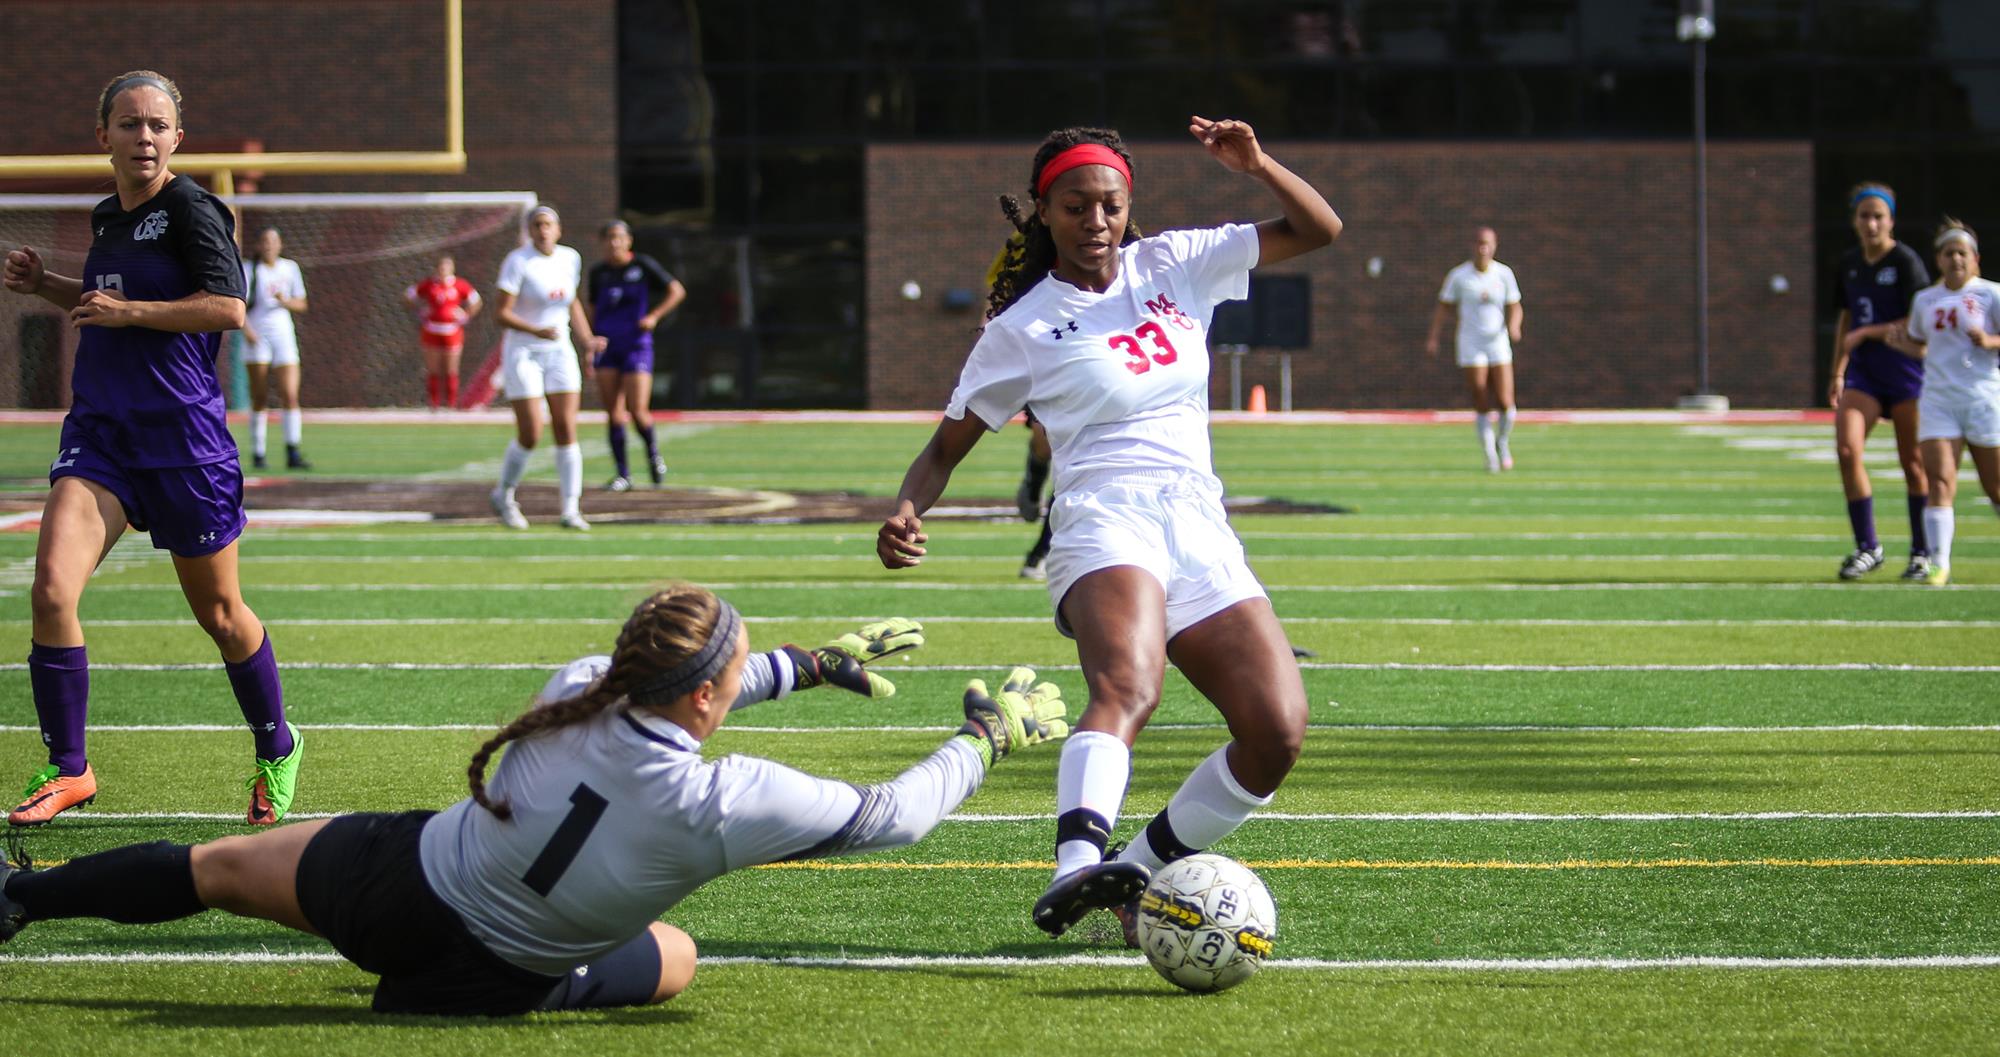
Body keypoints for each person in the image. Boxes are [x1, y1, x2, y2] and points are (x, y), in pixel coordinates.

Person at [0, 589, 1070, 1016]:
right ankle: (484, 991)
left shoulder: (572, 686)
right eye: (737, 670)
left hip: (389, 881)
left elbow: (675, 691)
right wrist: (982, 736)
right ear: (706, 694)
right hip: (502, 975)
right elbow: (897, 815)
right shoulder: (727, 799)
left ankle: (20, 899)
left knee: (209, 870)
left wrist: (805, 663)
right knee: (678, 955)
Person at [877, 117, 1341, 938]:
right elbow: (944, 448)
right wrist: (909, 508)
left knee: (1276, 731)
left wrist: (1258, 163)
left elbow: (1318, 229)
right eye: (1076, 206)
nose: (1096, 221)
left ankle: (1136, 870)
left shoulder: (1176, 262)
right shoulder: (1018, 330)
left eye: (1111, 204)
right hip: (1103, 515)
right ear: (1045, 213)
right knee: (1129, 688)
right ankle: (1076, 868)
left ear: (1130, 207)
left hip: (1199, 517)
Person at [0, 70, 303, 827]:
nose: (143, 137)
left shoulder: (195, 209)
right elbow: (101, 304)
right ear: (102, 135)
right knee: (50, 592)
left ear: (176, 138)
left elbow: (228, 308)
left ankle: (278, 744)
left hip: (184, 443)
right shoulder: (108, 216)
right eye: (129, 124)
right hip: (102, 433)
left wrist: (130, 308)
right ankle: (71, 766)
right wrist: (47, 286)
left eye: (157, 125)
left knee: (224, 614)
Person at [1828, 183, 1933, 581]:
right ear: (1854, 220)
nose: (1871, 223)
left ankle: (1922, 552)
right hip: (1865, 375)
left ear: (1891, 220)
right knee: (1846, 449)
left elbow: (1921, 317)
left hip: (1907, 373)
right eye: (1864, 216)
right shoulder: (1850, 263)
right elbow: (1845, 320)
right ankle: (1867, 546)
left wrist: (1871, 332)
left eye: (1878, 216)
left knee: (1914, 463)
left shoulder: (1905, 261)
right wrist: (1837, 371)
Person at [1894, 218, 2000, 586]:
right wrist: (1900, 344)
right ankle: (1939, 563)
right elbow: (1920, 345)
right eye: (1949, 253)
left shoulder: (1992, 294)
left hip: (1983, 398)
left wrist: (1989, 342)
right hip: (1938, 400)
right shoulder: (1925, 299)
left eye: (1962, 252)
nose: (1956, 259)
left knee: (1995, 487)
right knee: (1940, 482)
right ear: (1938, 260)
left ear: (1975, 259)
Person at [491, 206, 603, 531]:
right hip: (524, 351)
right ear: (529, 230)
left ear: (559, 229)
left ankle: (571, 509)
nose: (542, 230)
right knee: (531, 432)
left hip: (559, 351)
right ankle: (504, 494)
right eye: (537, 225)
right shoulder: (517, 262)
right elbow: (501, 313)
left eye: (548, 224)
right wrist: (535, 330)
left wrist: (587, 338)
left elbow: (571, 302)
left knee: (566, 428)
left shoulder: (569, 258)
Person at [587, 221, 683, 491]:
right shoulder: (598, 273)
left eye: (618, 237)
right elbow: (592, 308)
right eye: (609, 238)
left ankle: (653, 453)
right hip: (608, 346)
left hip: (636, 344)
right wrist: (592, 339)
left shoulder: (642, 266)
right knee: (613, 412)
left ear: (628, 240)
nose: (614, 242)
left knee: (637, 410)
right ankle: (623, 474)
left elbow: (676, 290)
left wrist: (653, 316)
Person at [1425, 227, 1523, 472]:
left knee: (1505, 401)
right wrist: (1434, 338)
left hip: (1497, 341)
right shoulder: (1459, 276)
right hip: (1471, 343)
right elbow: (1443, 308)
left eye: (1487, 243)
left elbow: (1515, 306)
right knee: (1480, 397)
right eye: (1479, 243)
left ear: (1495, 245)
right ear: (1473, 245)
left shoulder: (1504, 274)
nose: (1483, 248)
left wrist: (1514, 326)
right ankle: (1489, 454)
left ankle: (1502, 442)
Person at [240, 226, 311, 469]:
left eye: (274, 241)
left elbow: (302, 303)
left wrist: (286, 301)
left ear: (280, 244)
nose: (269, 245)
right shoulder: (249, 269)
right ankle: (258, 452)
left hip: (283, 335)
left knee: (290, 394)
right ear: (259, 245)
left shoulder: (289, 268)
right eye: (265, 241)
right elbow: (238, 306)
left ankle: (293, 451)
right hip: (258, 336)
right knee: (259, 396)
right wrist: (248, 332)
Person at [406, 254, 481, 412]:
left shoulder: (460, 285)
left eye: (447, 266)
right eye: (441, 266)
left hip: (452, 331)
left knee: (451, 369)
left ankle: (451, 405)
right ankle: (434, 405)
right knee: (433, 368)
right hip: (432, 330)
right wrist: (421, 311)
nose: (443, 269)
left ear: (452, 268)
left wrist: (465, 315)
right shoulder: (429, 284)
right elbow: (408, 296)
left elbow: (476, 301)